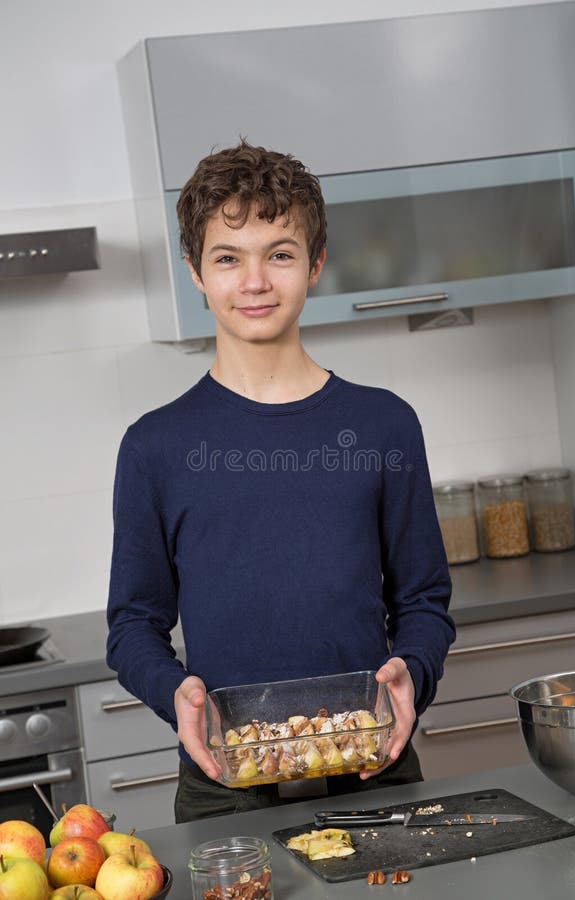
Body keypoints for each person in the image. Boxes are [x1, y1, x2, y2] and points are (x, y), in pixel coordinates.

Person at [106, 140, 455, 822]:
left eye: (280, 254)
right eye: (228, 258)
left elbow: (424, 601)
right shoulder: (155, 445)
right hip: (224, 784)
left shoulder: (384, 425)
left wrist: (412, 673)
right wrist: (173, 693)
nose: (256, 282)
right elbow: (133, 625)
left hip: (374, 770)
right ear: (196, 273)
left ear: (315, 264)